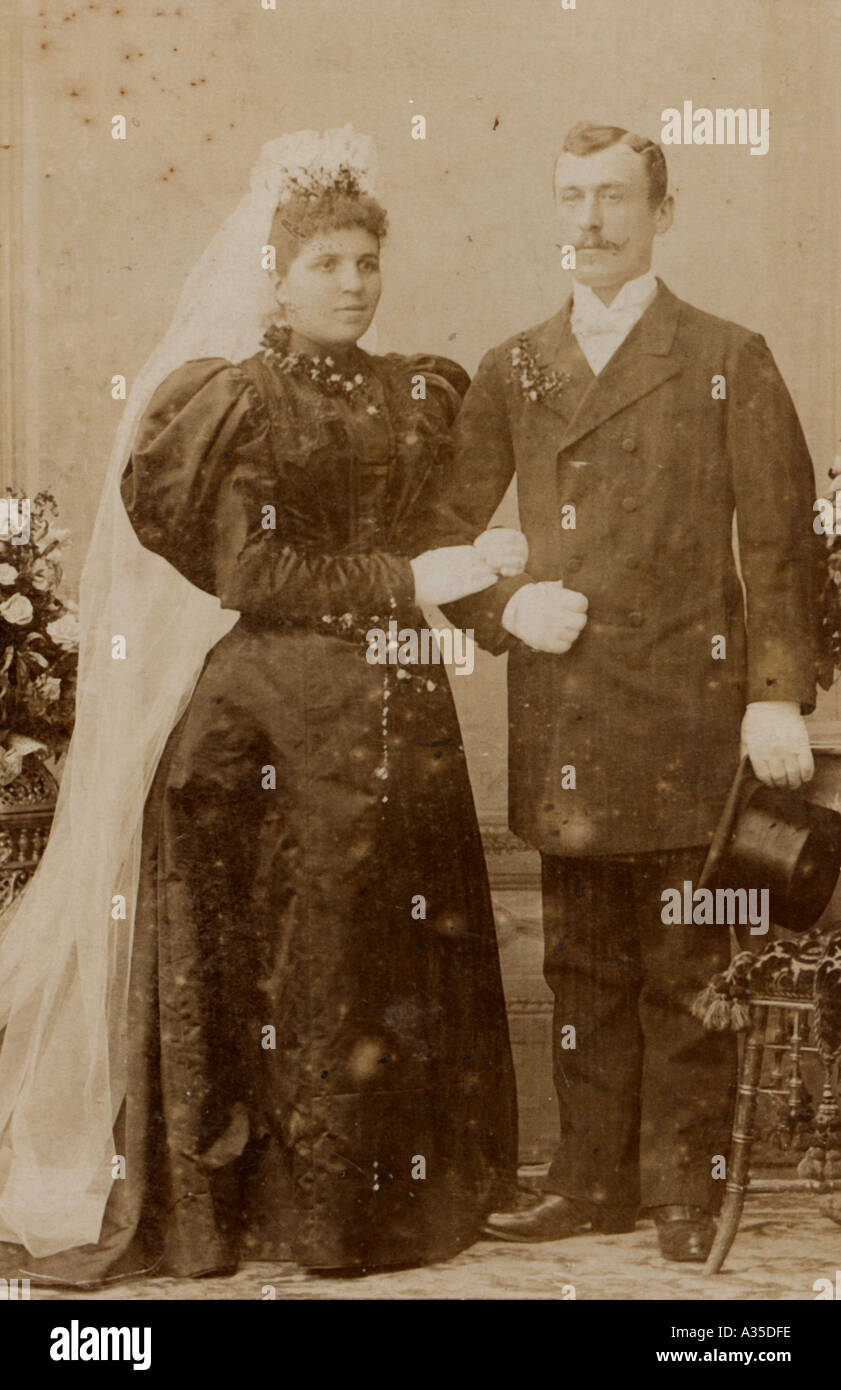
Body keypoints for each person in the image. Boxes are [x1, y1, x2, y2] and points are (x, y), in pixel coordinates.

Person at [0, 127, 519, 1281]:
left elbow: (433, 531)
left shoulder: (416, 391)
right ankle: (289, 1211)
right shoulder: (237, 402)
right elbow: (255, 577)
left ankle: (392, 1202)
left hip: (398, 713)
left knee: (387, 949)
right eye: (326, 264)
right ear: (276, 276)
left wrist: (484, 575)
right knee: (301, 958)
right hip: (271, 721)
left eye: (364, 264)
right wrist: (406, 580)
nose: (351, 284)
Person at [435, 122, 822, 1262]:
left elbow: (782, 543)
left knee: (693, 958)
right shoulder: (515, 367)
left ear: (661, 211)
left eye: (613, 197)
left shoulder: (725, 353)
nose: (590, 220)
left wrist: (775, 692)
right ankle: (591, 1182)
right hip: (569, 709)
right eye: (571, 198)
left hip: (697, 713)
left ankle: (685, 1185)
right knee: (583, 962)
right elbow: (435, 531)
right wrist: (500, 611)